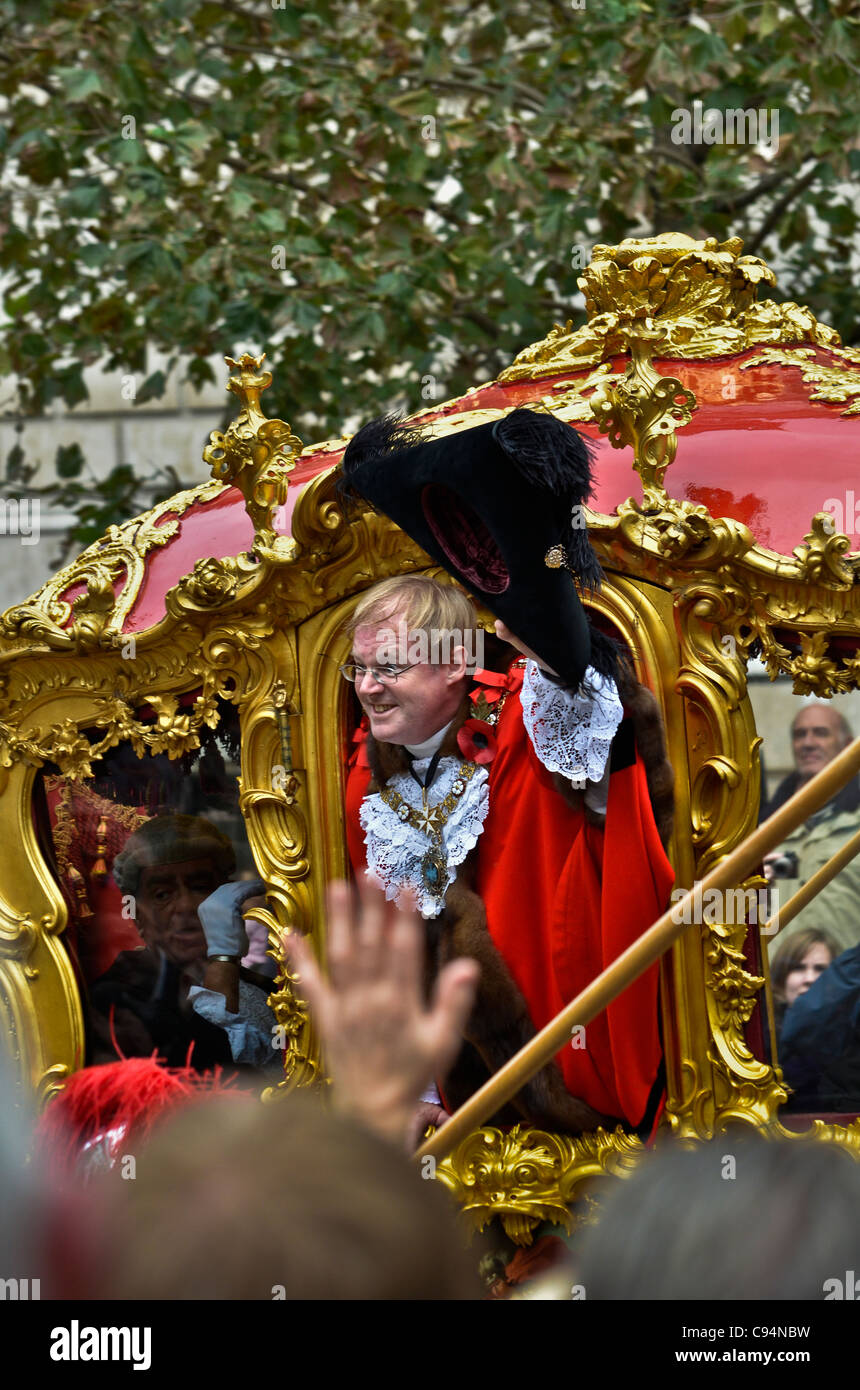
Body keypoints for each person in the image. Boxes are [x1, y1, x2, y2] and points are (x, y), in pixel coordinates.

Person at [342, 574, 675, 1136]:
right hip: (460, 1108)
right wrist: (418, 1087)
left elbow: (608, 790)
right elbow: (385, 949)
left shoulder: (530, 715)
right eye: (359, 668)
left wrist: (557, 651)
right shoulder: (364, 784)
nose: (368, 688)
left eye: (390, 667)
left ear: (455, 662)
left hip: (579, 1061)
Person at [88, 814, 275, 1072]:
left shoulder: (264, 989)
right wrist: (222, 960)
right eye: (162, 894)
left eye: (200, 887)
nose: (186, 906)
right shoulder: (117, 998)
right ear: (138, 915)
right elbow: (209, 1072)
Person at [763, 704, 860, 958]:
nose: (808, 743)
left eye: (821, 733)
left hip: (843, 981)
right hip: (772, 979)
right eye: (800, 734)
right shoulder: (762, 830)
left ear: (848, 745)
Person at [769, 926, 839, 1034]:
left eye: (820, 969)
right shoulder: (760, 1034)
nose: (810, 979)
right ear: (781, 978)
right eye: (798, 968)